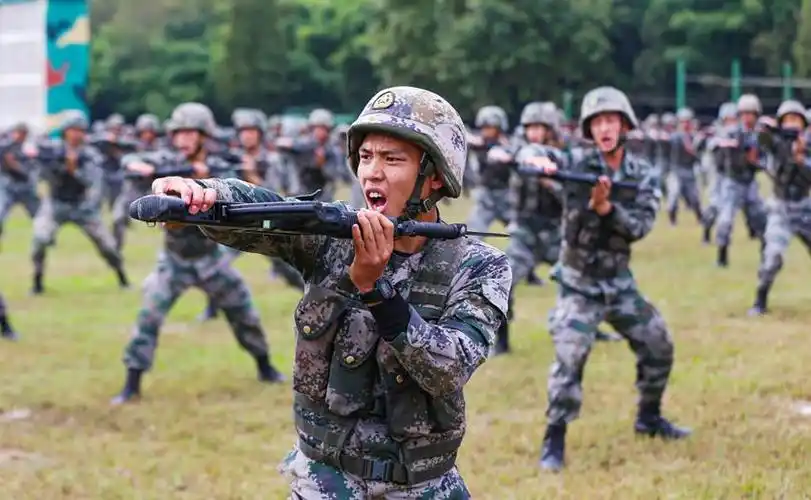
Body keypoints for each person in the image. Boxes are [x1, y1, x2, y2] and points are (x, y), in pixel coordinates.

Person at [151, 86, 511, 498]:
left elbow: (448, 369)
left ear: (434, 176)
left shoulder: (480, 265)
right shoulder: (332, 238)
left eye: (392, 159)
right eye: (366, 156)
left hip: (423, 484)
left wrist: (376, 290)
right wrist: (205, 195)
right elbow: (268, 211)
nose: (372, 172)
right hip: (324, 480)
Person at [527, 86, 690, 472]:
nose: (604, 128)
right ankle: (555, 438)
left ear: (624, 125)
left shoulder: (641, 174)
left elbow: (639, 226)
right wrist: (540, 162)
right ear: (589, 128)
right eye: (598, 122)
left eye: (611, 120)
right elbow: (533, 154)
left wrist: (606, 208)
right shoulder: (576, 162)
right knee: (570, 357)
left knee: (659, 345)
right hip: (579, 283)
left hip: (618, 283)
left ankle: (648, 417)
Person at [111, 102, 284, 405]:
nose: (182, 140)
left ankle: (265, 366)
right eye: (178, 134)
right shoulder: (166, 160)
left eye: (190, 133)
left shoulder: (221, 166)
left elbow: (248, 189)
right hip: (174, 260)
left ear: (204, 135)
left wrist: (213, 177)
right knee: (148, 317)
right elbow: (131, 159)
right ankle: (132, 382)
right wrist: (144, 169)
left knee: (244, 312)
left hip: (211, 256)